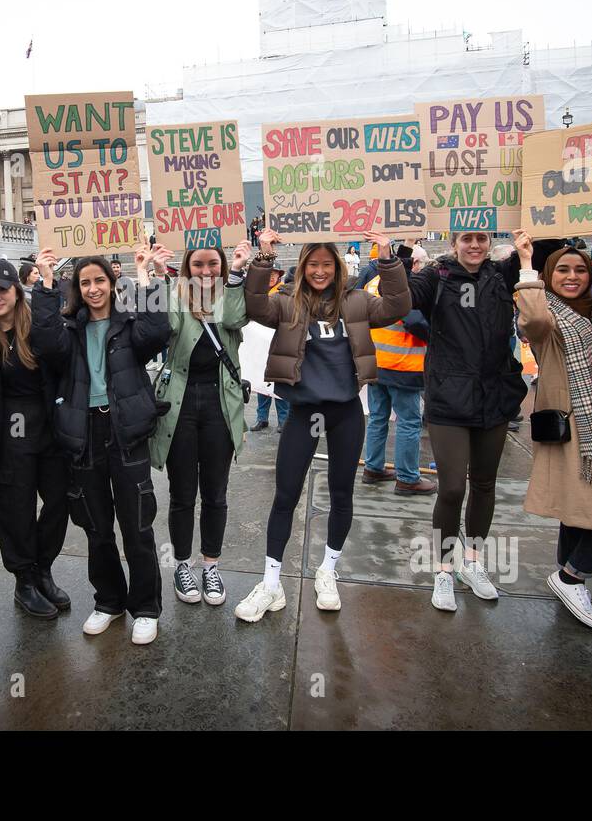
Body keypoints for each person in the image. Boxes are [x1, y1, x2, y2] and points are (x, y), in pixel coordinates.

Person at [234, 228, 410, 623]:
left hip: (345, 412)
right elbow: (255, 304)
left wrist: (387, 255)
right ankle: (271, 582)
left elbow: (399, 304)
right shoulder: (288, 301)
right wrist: (263, 258)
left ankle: (328, 570)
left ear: (338, 267)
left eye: (326, 264)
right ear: (302, 266)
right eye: (312, 264)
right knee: (285, 495)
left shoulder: (358, 301)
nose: (319, 271)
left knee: (341, 492)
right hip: (304, 413)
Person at [31, 242, 172, 645]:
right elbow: (44, 342)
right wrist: (44, 283)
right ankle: (108, 601)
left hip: (125, 433)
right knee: (96, 527)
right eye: (85, 282)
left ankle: (145, 607)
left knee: (137, 524)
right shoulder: (69, 329)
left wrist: (146, 277)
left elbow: (159, 330)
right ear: (76, 287)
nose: (93, 289)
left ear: (112, 284)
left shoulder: (129, 325)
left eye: (100, 281)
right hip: (84, 434)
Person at [396, 232, 529, 612]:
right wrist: (399, 251)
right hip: (449, 399)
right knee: (452, 488)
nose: (475, 246)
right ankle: (442, 569)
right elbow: (402, 298)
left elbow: (547, 254)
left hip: (494, 399)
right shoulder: (438, 276)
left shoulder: (502, 274)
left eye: (481, 239)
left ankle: (472, 561)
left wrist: (529, 237)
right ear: (455, 243)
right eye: (467, 239)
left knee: (485, 484)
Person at [513, 232, 592, 630]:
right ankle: (573, 576)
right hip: (575, 423)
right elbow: (531, 319)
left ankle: (566, 573)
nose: (572, 276)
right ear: (549, 277)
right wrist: (527, 265)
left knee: (579, 506)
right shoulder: (545, 313)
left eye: (580, 269)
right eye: (562, 270)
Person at [150, 241, 251, 607]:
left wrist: (238, 271)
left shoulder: (231, 294)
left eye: (213, 264)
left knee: (215, 492)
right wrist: (158, 277)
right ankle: (181, 564)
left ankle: (211, 565)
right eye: (198, 265)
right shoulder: (176, 296)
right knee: (181, 494)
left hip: (220, 401)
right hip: (181, 400)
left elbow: (236, 320)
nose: (206, 272)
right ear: (187, 268)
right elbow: (166, 326)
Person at [0, 257, 72, 618]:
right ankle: (24, 580)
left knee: (59, 500)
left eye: (2, 289)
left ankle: (42, 567)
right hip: (9, 431)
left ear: (17, 290)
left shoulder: (38, 325)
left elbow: (60, 353)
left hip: (47, 425)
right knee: (15, 509)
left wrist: (47, 286)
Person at [361, 241, 435, 493]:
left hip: (376, 362)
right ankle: (407, 476)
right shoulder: (402, 289)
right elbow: (418, 324)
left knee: (378, 418)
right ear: (413, 264)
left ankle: (373, 466)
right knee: (409, 421)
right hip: (402, 364)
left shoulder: (373, 283)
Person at [250, 268, 291, 433]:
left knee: (279, 384)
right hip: (260, 345)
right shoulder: (260, 293)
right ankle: (262, 418)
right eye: (269, 275)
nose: (270, 278)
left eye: (273, 275)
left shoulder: (282, 293)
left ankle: (283, 419)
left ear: (279, 277)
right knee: (261, 384)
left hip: (277, 343)